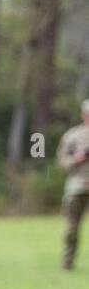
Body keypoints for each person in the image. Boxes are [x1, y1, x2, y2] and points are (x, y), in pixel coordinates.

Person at [56, 99, 89, 270]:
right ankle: (68, 262)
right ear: (83, 114)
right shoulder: (72, 136)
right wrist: (76, 159)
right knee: (71, 228)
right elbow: (61, 162)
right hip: (77, 186)